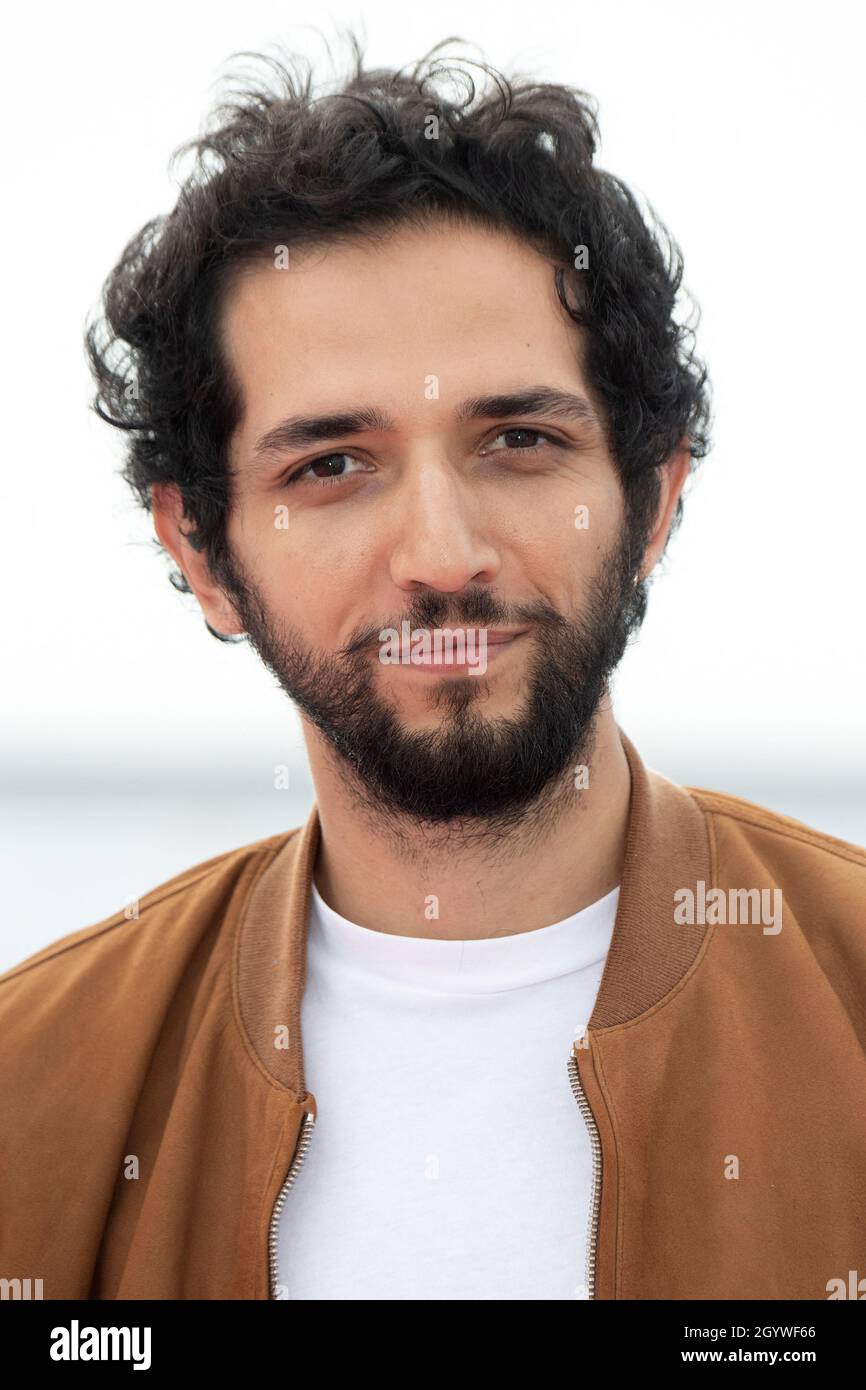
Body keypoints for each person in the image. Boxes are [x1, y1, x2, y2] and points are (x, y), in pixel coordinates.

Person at [2, 35, 864, 1302]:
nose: (440, 556)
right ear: (203, 549)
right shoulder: (37, 1088)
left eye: (517, 438)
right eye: (330, 465)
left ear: (653, 499)